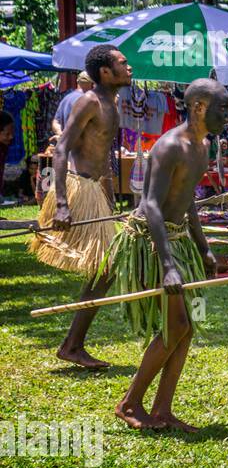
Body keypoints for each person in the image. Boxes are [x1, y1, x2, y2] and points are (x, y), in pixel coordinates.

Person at [105, 79, 227, 431]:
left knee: (185, 328)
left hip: (178, 237)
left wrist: (203, 248)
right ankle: (129, 403)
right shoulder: (170, 146)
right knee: (176, 325)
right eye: (223, 108)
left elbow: (187, 199)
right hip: (151, 241)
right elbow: (152, 205)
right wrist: (168, 265)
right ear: (199, 107)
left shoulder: (203, 146)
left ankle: (162, 409)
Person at [30, 45, 132, 369]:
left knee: (105, 269)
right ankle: (72, 345)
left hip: (96, 190)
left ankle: (73, 344)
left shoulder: (111, 103)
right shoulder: (88, 101)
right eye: (122, 63)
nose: (129, 68)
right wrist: (61, 204)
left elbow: (103, 155)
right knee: (105, 268)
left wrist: (111, 196)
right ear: (105, 71)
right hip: (77, 189)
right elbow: (61, 150)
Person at [50, 71, 94, 141]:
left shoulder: (66, 99)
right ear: (92, 84)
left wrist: (61, 134)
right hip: (82, 148)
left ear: (77, 82)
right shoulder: (89, 101)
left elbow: (55, 122)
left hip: (66, 147)